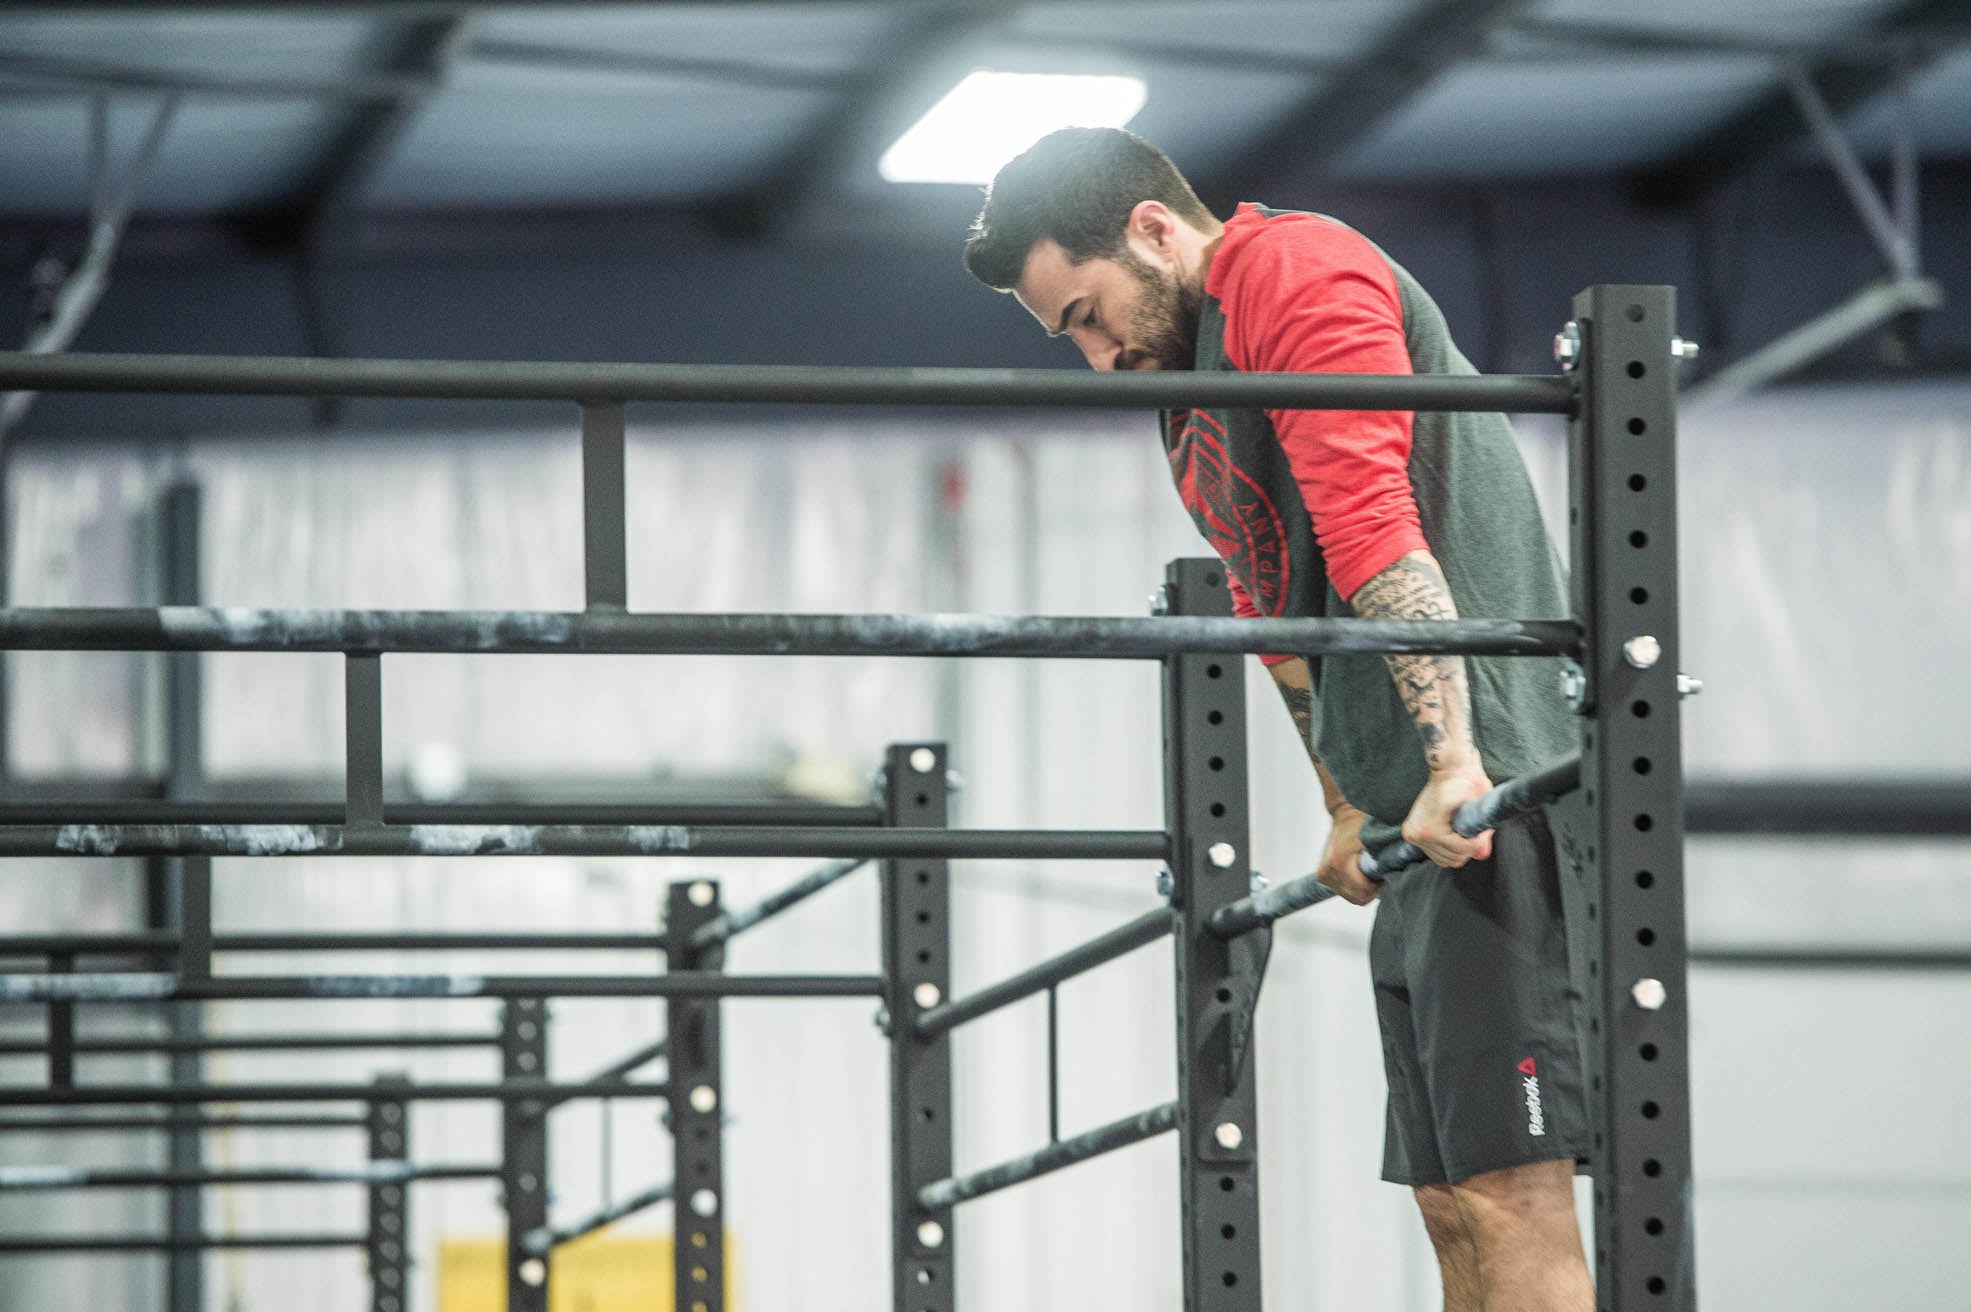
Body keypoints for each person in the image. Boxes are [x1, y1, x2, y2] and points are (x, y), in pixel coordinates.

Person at [961, 126, 1592, 1312]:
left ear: (1154, 229)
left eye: (1088, 316)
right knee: (1453, 1204)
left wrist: (1455, 758)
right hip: (1412, 818)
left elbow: (1371, 526)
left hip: (1485, 790)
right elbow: (1272, 607)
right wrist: (1347, 803)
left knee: (1512, 1200)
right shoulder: (1185, 384)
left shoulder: (1294, 273)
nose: (1098, 357)